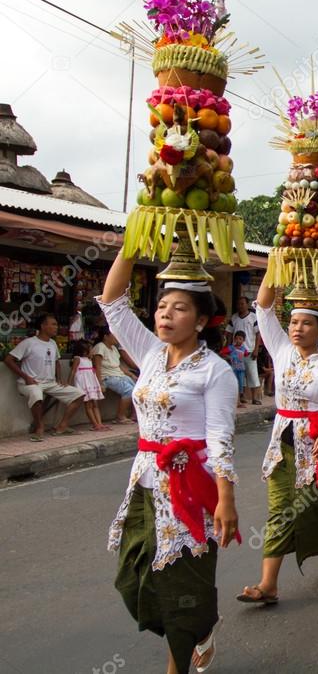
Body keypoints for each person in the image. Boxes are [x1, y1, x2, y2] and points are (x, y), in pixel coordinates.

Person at [99, 253, 239, 674]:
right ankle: (198, 628)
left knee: (183, 579)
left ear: (200, 320)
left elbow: (220, 439)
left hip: (192, 486)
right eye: (162, 307)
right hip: (144, 480)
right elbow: (113, 303)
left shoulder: (216, 372)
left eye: (179, 308)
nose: (165, 315)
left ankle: (179, 656)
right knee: (132, 575)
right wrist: (131, 244)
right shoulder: (151, 353)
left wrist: (226, 500)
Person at [238, 275, 318, 605]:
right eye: (294, 322)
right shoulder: (281, 351)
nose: (297, 328)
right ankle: (269, 584)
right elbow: (264, 309)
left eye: (306, 323)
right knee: (280, 508)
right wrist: (274, 265)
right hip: (284, 441)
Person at [4, 313, 85, 441]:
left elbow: (57, 361)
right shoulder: (28, 343)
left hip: (50, 383)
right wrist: (26, 377)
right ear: (43, 326)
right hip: (30, 383)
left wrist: (59, 379)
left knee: (79, 394)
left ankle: (62, 426)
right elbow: (9, 360)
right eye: (53, 324)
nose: (56, 327)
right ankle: (39, 427)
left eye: (56, 324)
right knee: (36, 394)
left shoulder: (53, 343)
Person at [91, 327, 137, 424]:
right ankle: (120, 416)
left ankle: (134, 415)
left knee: (136, 388)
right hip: (108, 377)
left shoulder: (114, 349)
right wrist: (100, 383)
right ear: (105, 336)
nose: (117, 337)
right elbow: (97, 367)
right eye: (114, 335)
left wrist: (131, 374)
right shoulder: (100, 347)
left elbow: (118, 366)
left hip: (118, 375)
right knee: (129, 390)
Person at [227, 296, 262, 405]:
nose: (240, 306)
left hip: (249, 350)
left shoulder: (253, 317)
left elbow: (258, 334)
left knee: (252, 374)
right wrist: (229, 348)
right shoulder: (234, 318)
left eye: (242, 304)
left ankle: (254, 398)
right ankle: (241, 396)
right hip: (236, 352)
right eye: (239, 304)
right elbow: (229, 333)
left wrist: (256, 349)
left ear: (247, 304)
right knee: (239, 374)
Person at [70, 339, 109, 432]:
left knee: (95, 404)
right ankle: (95, 425)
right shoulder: (77, 359)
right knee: (88, 405)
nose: (92, 351)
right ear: (84, 351)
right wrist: (69, 383)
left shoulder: (89, 360)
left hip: (91, 383)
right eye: (90, 349)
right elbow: (73, 371)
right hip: (84, 385)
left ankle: (100, 424)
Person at [221, 331, 250, 406]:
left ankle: (238, 401)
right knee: (234, 384)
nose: (238, 340)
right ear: (234, 339)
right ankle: (237, 402)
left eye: (240, 339)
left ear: (243, 340)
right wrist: (229, 357)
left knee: (240, 385)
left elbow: (246, 355)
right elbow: (222, 352)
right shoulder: (231, 348)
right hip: (233, 369)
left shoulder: (244, 349)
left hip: (241, 369)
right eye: (236, 338)